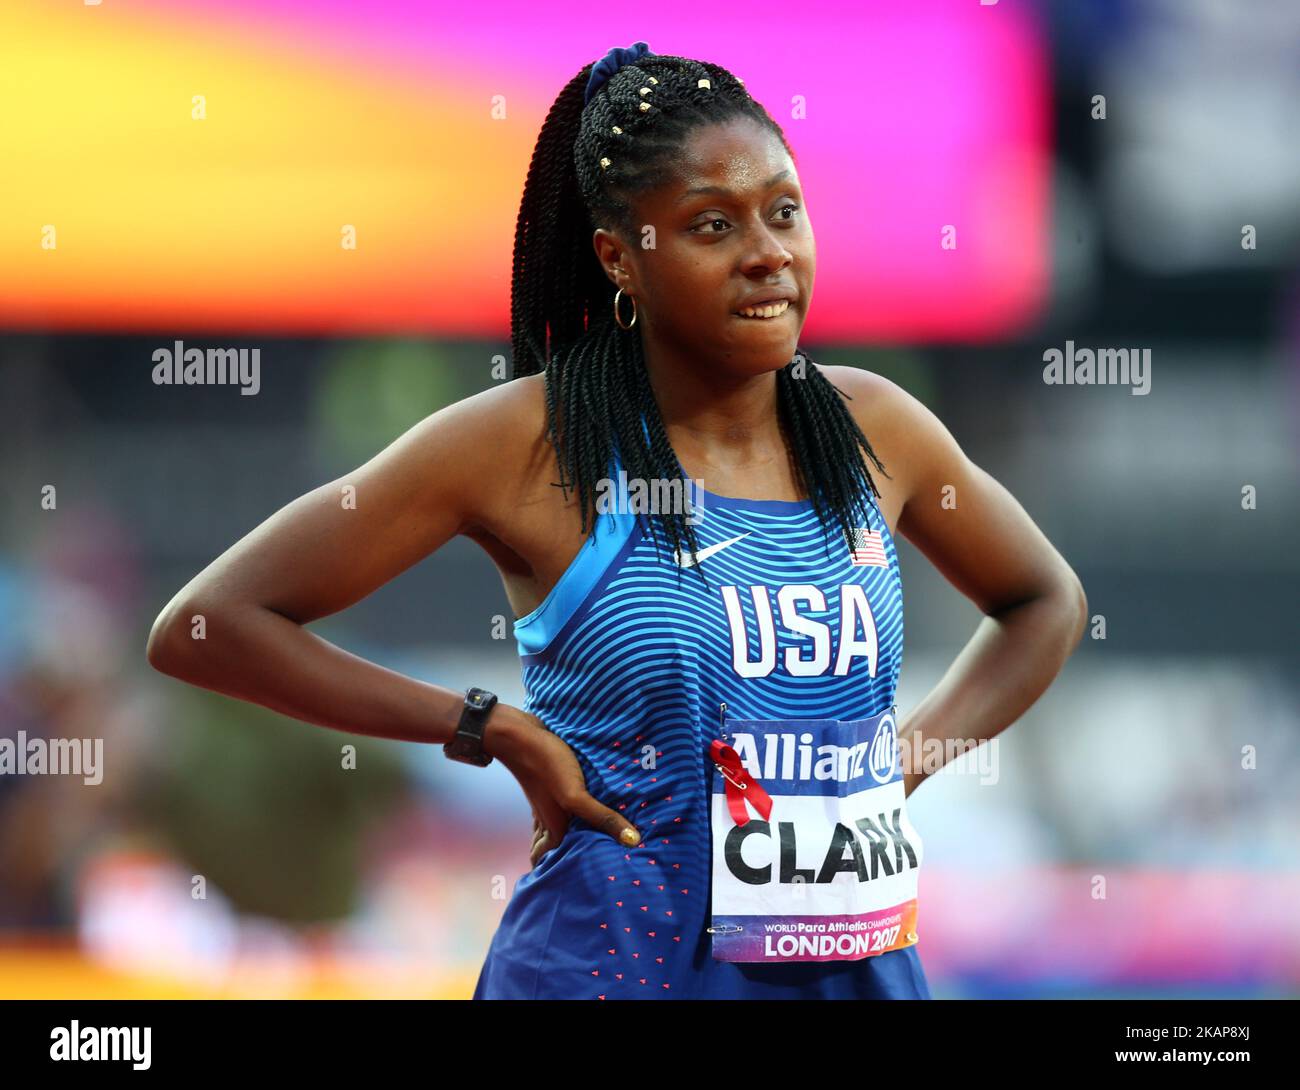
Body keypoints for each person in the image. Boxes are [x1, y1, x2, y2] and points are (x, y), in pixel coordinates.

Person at [146, 42, 1088, 1000]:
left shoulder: (873, 427)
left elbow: (1044, 599)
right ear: (619, 258)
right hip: (609, 972)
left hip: (856, 975)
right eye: (713, 225)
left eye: (785, 211)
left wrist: (909, 760)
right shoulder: (531, 444)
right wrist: (486, 726)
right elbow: (205, 626)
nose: (768, 251)